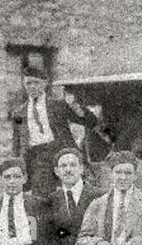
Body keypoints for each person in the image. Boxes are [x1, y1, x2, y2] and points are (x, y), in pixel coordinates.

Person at [9, 63, 86, 197]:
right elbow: (17, 141)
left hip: (60, 151)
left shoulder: (58, 105)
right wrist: (16, 164)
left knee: (71, 190)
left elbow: (81, 118)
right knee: (42, 195)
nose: (32, 87)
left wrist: (73, 101)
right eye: (28, 83)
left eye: (36, 83)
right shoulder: (19, 112)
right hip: (37, 157)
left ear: (44, 83)